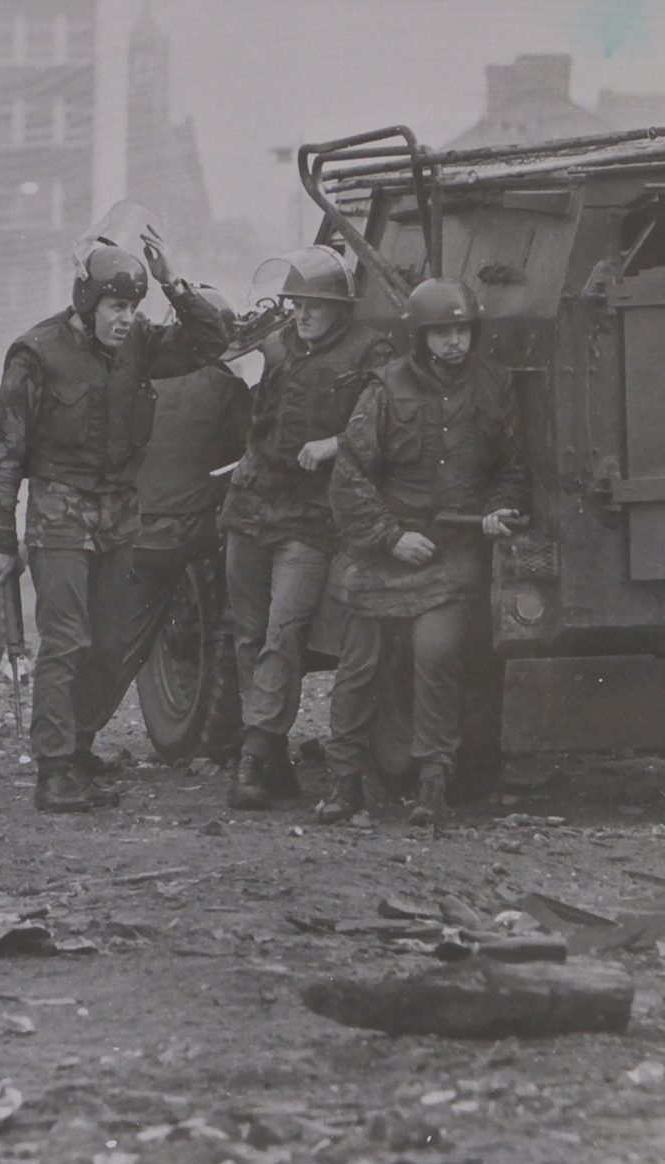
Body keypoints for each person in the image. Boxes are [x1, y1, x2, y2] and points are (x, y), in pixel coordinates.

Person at [0, 230, 228, 813]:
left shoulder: (139, 343)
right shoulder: (36, 353)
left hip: (119, 515)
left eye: (133, 308)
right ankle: (53, 767)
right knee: (66, 639)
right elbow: (4, 452)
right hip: (60, 513)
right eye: (116, 306)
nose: (125, 318)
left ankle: (78, 746)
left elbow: (210, 343)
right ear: (88, 303)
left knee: (114, 642)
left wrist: (173, 280)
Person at [321, 278, 530, 826]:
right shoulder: (386, 388)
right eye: (442, 332)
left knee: (436, 653)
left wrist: (499, 510)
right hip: (385, 549)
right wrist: (391, 537)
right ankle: (343, 782)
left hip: (452, 552)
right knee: (359, 663)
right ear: (421, 337)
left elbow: (510, 466)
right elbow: (349, 476)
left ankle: (433, 782)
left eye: (462, 330)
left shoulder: (492, 385)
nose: (454, 342)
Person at [218, 246, 394, 810]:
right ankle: (269, 756)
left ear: (341, 307)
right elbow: (231, 364)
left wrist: (336, 444)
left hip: (310, 516)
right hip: (251, 506)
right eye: (298, 304)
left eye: (315, 305)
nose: (303, 314)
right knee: (248, 635)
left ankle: (252, 758)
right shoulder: (279, 343)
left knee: (282, 633)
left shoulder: (370, 351)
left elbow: (390, 420)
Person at [90, 287, 253, 729]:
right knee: (228, 624)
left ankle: (71, 741)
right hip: (189, 536)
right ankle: (223, 733)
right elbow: (241, 459)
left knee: (118, 646)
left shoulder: (141, 383)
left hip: (130, 532)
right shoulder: (227, 388)